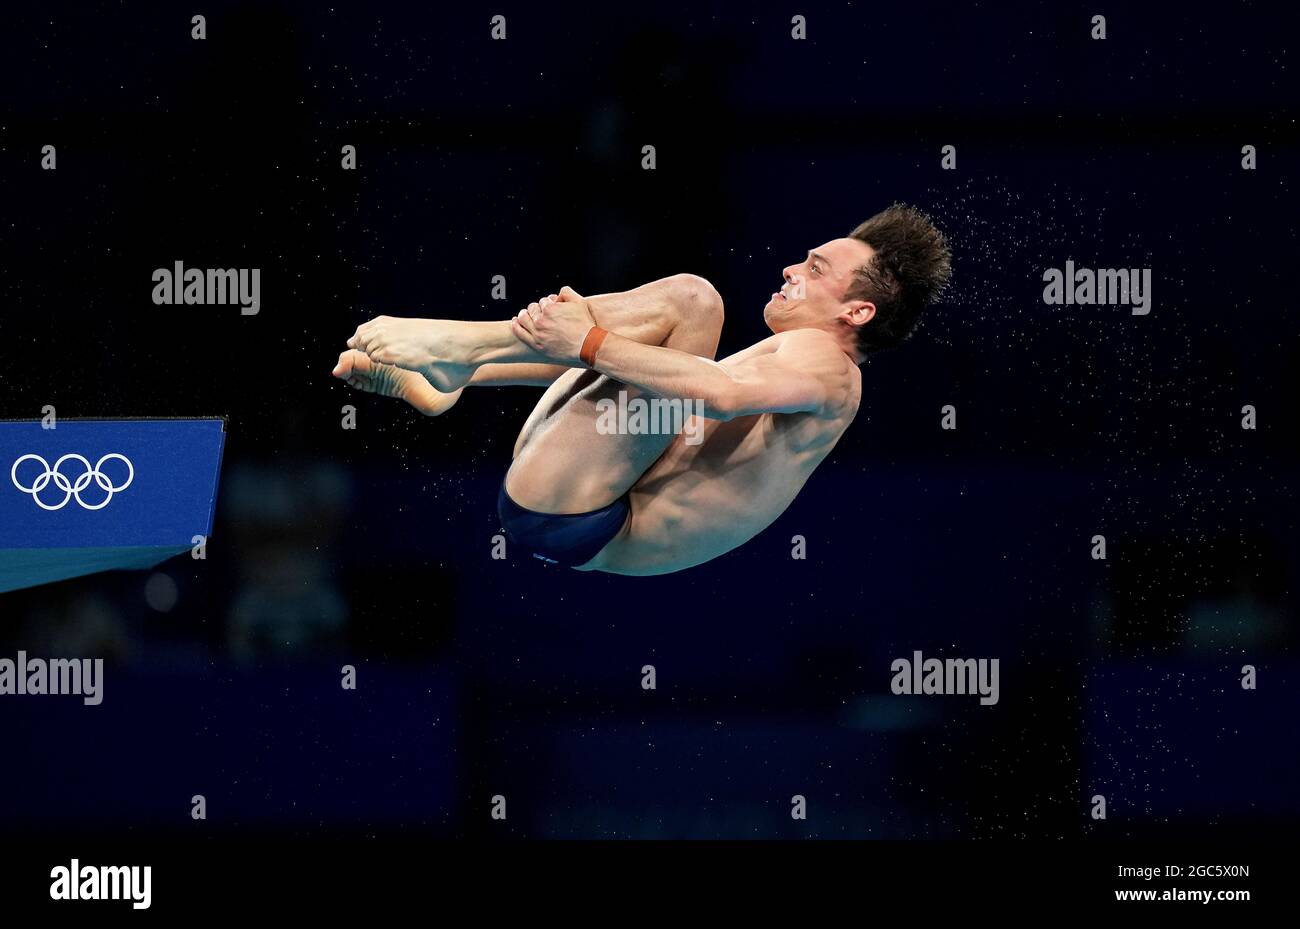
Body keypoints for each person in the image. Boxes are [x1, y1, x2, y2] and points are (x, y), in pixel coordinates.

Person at [332, 204, 951, 575]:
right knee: (661, 345)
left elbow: (719, 397)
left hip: (583, 514)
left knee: (693, 301)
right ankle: (458, 373)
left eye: (815, 268)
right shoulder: (789, 365)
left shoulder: (829, 366)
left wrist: (587, 342)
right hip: (575, 511)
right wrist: (567, 352)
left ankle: (461, 348)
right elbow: (633, 385)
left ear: (858, 313)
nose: (792, 269)